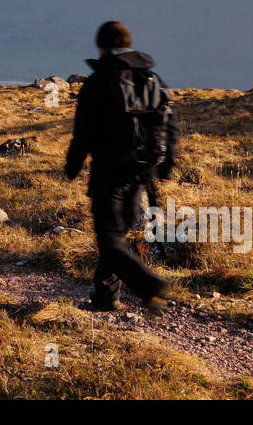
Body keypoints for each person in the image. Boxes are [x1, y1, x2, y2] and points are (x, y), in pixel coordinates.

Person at [64, 20, 179, 312]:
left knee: (110, 240)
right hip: (141, 173)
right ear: (127, 44)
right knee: (113, 237)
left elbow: (83, 132)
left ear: (101, 46)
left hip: (108, 173)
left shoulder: (99, 81)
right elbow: (170, 124)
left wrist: (72, 166)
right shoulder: (152, 79)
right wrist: (165, 168)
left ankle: (150, 286)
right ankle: (105, 297)